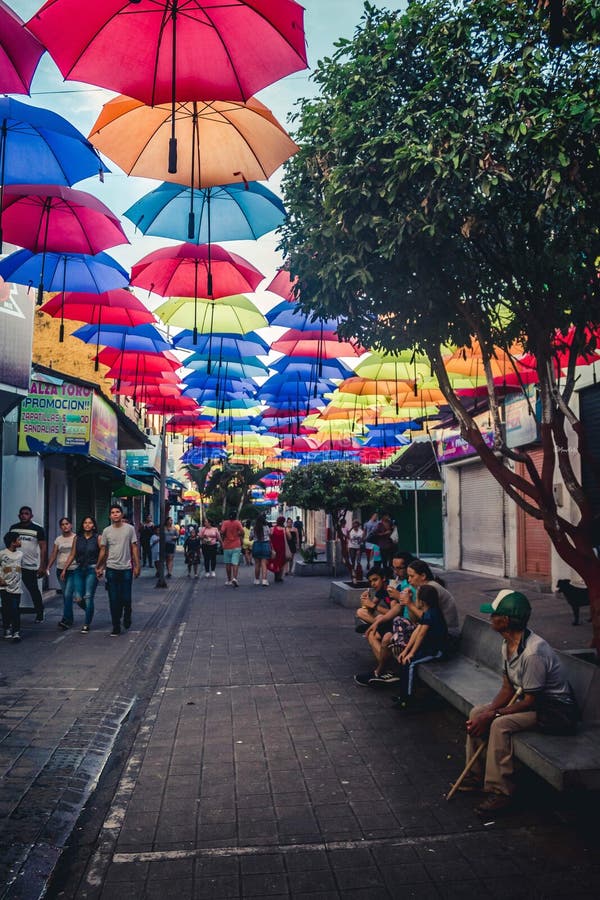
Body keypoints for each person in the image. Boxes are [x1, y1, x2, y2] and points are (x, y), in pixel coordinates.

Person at [464, 590, 578, 815]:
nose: (490, 618)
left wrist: (494, 715)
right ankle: (475, 775)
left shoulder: (533, 652)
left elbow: (529, 701)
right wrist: (487, 712)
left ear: (505, 620)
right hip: (533, 704)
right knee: (478, 712)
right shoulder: (507, 644)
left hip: (553, 711)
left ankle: (501, 791)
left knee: (500, 724)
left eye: (494, 615)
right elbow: (507, 688)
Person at [392, 583, 449, 702]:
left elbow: (421, 635)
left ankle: (408, 698)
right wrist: (406, 650)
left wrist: (411, 653)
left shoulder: (431, 614)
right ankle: (403, 695)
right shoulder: (427, 612)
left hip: (436, 651)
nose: (415, 600)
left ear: (422, 602)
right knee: (405, 660)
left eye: (416, 598)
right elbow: (416, 632)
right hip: (428, 648)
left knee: (410, 663)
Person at [388, 558, 460, 640]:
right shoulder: (420, 589)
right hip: (434, 629)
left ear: (423, 576)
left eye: (412, 576)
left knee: (398, 635)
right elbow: (414, 619)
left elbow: (427, 619)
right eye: (408, 576)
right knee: (398, 623)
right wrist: (409, 601)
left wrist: (409, 603)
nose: (409, 580)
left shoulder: (431, 588)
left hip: (447, 633)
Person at [96, 504, 140, 636]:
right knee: (113, 599)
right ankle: (116, 625)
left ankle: (127, 613)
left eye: (117, 512)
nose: (115, 514)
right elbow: (103, 550)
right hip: (111, 569)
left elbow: (134, 547)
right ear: (110, 516)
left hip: (126, 568)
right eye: (112, 512)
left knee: (126, 598)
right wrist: (99, 566)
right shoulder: (106, 531)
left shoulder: (129, 529)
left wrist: (137, 566)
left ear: (121, 514)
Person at [62, 516, 101, 633]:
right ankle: (90, 610)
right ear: (82, 525)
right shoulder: (77, 538)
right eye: (85, 522)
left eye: (90, 523)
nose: (87, 525)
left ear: (93, 525)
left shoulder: (98, 538)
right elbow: (72, 554)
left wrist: (101, 567)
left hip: (92, 569)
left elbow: (104, 553)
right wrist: (64, 569)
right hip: (79, 569)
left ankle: (86, 624)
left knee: (88, 596)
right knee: (78, 598)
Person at [9, 506, 46, 623]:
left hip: (30, 565)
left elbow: (43, 548)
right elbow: (9, 545)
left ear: (31, 516)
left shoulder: (38, 529)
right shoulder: (13, 528)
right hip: (15, 565)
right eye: (22, 514)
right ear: (19, 516)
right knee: (13, 590)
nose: (24, 515)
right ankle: (13, 615)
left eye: (26, 514)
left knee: (33, 590)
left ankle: (40, 613)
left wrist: (42, 566)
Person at [47, 517, 77, 630]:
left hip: (73, 569)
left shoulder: (76, 537)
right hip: (60, 570)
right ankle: (69, 618)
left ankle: (66, 619)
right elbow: (54, 553)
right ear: (60, 527)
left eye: (67, 524)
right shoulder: (58, 539)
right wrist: (48, 566)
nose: (65, 526)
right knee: (65, 595)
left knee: (68, 594)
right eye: (63, 524)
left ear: (71, 525)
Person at [0, 531, 23, 641]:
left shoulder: (20, 554)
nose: (21, 541)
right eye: (19, 540)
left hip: (16, 587)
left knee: (15, 609)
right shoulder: (2, 553)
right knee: (6, 609)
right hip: (4, 587)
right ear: (13, 542)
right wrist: (1, 579)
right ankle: (6, 628)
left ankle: (16, 632)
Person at [220, 510, 244, 587]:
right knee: (235, 563)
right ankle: (235, 578)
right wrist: (238, 534)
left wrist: (225, 535)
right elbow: (242, 532)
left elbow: (222, 532)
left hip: (227, 545)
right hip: (236, 545)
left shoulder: (225, 523)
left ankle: (229, 580)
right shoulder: (238, 522)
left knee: (228, 563)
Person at [251, 513, 271, 586]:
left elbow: (250, 538)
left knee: (257, 564)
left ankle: (256, 580)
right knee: (264, 564)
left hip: (256, 545)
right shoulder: (266, 527)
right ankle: (264, 580)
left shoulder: (254, 528)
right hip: (265, 545)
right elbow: (270, 535)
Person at [269, 516, 289, 583]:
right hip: (282, 548)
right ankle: (280, 577)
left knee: (275, 561)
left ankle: (276, 575)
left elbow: (269, 537)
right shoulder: (284, 529)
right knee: (282, 562)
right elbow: (289, 537)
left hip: (274, 548)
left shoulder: (272, 529)